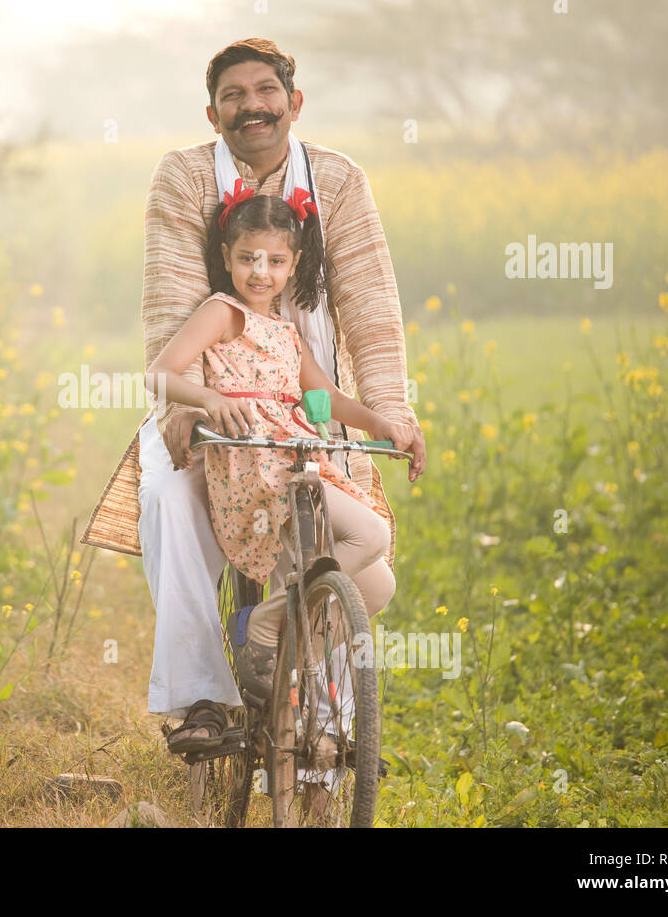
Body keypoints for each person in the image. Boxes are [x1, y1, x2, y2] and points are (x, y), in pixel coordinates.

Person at [79, 39, 427, 763]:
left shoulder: (338, 180)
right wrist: (189, 408)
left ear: (293, 103)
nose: (252, 107)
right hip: (208, 399)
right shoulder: (181, 177)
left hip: (306, 406)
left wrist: (392, 414)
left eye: (265, 91)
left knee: (346, 545)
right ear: (213, 114)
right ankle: (200, 699)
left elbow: (370, 308)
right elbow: (172, 304)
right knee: (172, 503)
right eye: (233, 96)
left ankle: (320, 714)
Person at [147, 189, 415, 754]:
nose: (260, 273)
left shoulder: (289, 333)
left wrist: (385, 424)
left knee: (378, 583)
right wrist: (208, 400)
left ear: (294, 265)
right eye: (247, 258)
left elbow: (331, 399)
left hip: (296, 458)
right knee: (370, 534)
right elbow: (161, 372)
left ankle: (285, 657)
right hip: (253, 465)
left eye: (274, 261)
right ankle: (267, 626)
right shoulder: (224, 312)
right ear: (227, 256)